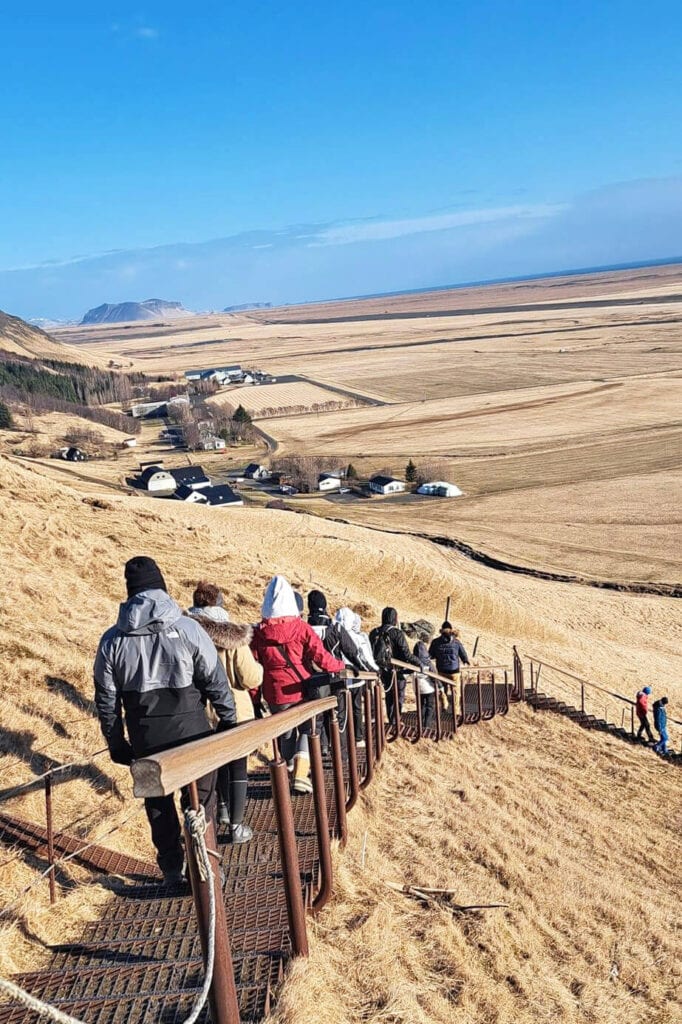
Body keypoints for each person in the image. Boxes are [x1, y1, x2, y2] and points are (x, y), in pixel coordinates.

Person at [94, 557, 237, 885]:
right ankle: (207, 866)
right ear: (161, 586)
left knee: (158, 804)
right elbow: (215, 679)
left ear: (130, 591)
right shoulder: (187, 628)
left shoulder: (112, 640)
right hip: (192, 730)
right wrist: (228, 721)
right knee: (200, 798)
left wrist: (116, 743)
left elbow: (106, 699)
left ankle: (172, 869)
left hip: (145, 735)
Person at [251, 576, 345, 793]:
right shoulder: (301, 628)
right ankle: (301, 774)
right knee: (307, 727)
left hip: (273, 692)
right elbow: (321, 657)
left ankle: (286, 775)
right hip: (300, 687)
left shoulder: (258, 633)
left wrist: (255, 698)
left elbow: (254, 667)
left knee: (284, 732)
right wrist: (339, 665)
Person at [187, 581, 263, 843]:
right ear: (220, 604)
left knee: (215, 763)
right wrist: (260, 670)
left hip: (201, 711)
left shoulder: (187, 632)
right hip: (235, 709)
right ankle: (237, 824)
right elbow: (250, 677)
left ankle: (220, 810)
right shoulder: (234, 636)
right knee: (238, 764)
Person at [369, 607, 421, 728]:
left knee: (389, 694)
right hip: (396, 670)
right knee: (399, 695)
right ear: (395, 618)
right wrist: (419, 663)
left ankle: (392, 719)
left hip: (382, 669)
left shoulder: (374, 632)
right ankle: (395, 720)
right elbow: (406, 654)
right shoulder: (397, 633)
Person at [334, 607, 379, 745]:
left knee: (340, 710)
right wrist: (373, 670)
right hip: (357, 678)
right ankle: (358, 738)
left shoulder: (333, 632)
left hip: (339, 678)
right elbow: (361, 656)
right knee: (357, 708)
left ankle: (340, 739)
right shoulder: (356, 637)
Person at [428, 622, 470, 722]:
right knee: (456, 692)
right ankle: (455, 712)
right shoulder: (456, 642)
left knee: (442, 690)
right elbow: (463, 654)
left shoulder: (435, 642)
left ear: (441, 630)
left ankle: (444, 706)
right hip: (454, 672)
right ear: (451, 630)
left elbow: (430, 655)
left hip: (441, 671)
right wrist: (466, 661)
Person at [413, 638, 437, 732]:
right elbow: (434, 676)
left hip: (417, 688)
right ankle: (426, 725)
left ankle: (420, 723)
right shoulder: (428, 662)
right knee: (430, 706)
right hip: (429, 688)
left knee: (421, 705)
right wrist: (439, 686)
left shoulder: (412, 662)